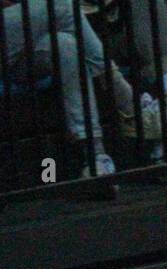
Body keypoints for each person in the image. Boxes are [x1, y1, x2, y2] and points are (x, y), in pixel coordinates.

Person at [2, 0, 114, 175]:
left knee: (65, 45)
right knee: (63, 5)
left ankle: (95, 156)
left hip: (19, 45)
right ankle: (129, 103)